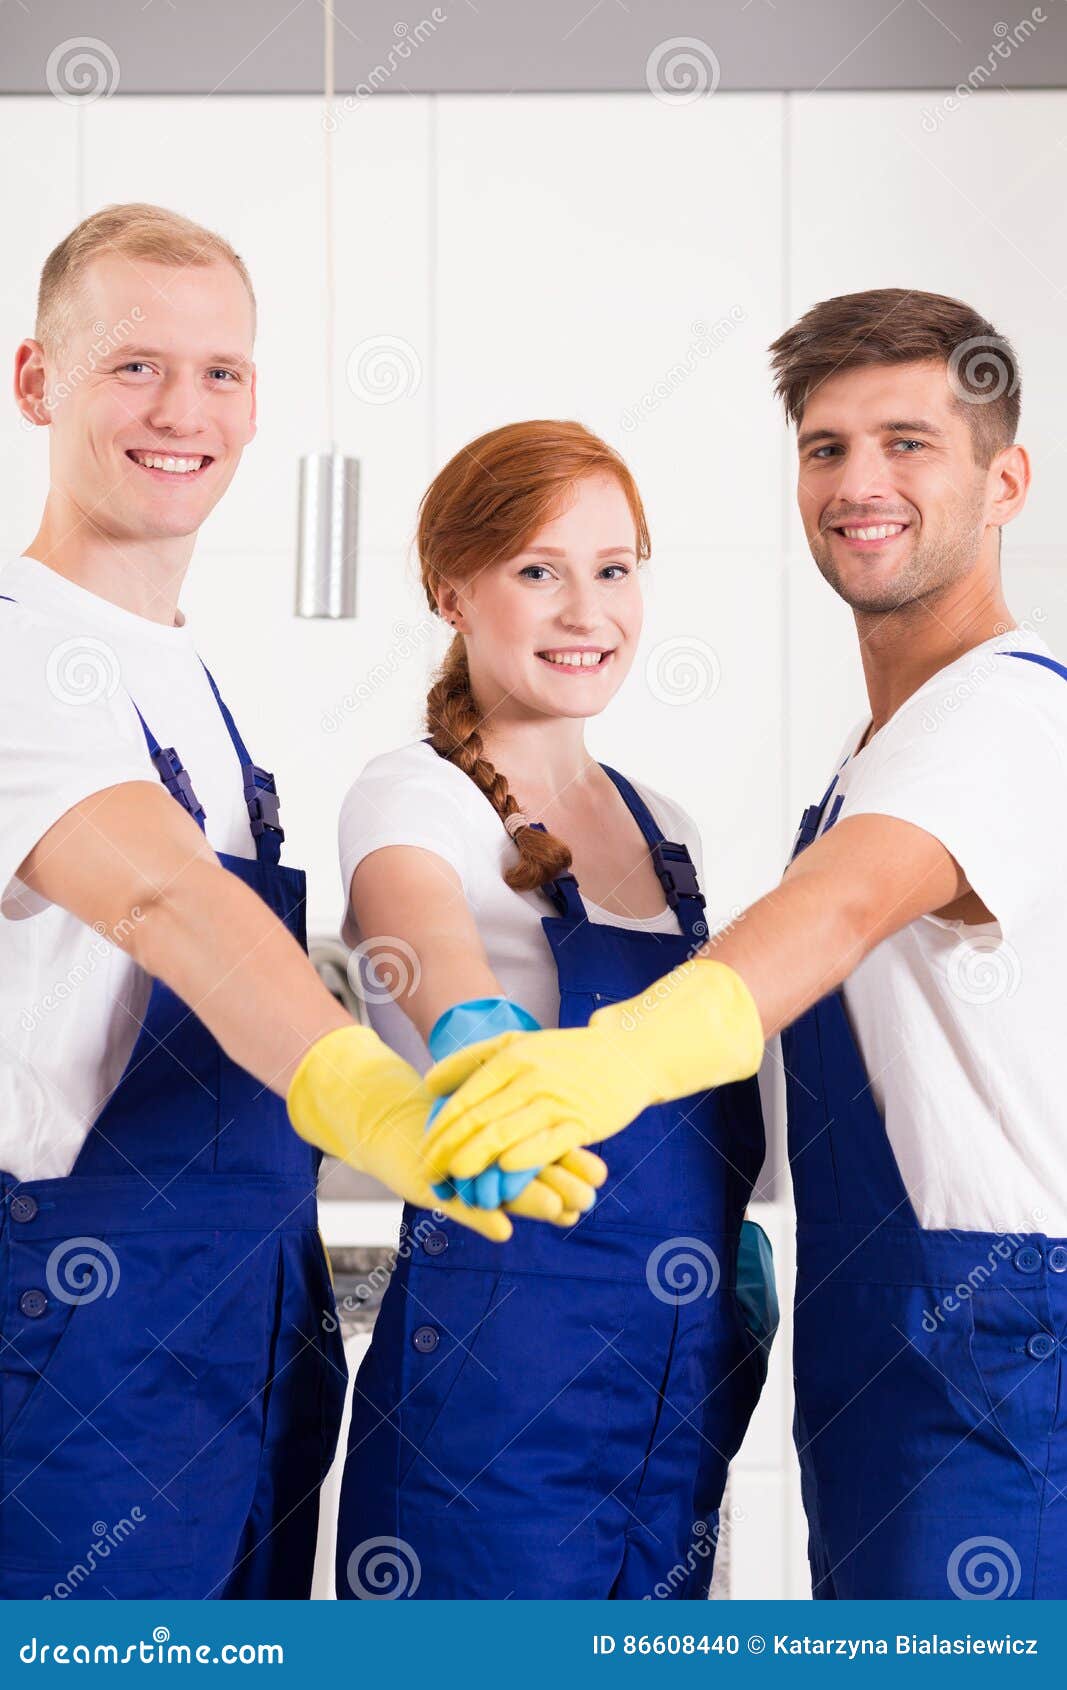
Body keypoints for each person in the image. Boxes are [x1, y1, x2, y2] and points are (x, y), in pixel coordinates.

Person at [423, 292, 1067, 1600]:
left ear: (1003, 480)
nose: (855, 482)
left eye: (906, 442)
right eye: (823, 447)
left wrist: (610, 1064)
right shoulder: (882, 748)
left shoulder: (1000, 717)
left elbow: (833, 912)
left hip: (1001, 1366)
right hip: (885, 1358)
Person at [0, 206, 589, 1599]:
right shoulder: (23, 652)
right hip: (83, 1348)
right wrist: (374, 1102)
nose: (182, 410)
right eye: (134, 366)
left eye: (222, 372)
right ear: (36, 381)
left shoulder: (188, 684)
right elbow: (158, 899)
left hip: (248, 1335)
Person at [333, 420, 773, 1601]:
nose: (587, 611)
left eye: (613, 568)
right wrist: (470, 1034)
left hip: (676, 1395)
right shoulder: (411, 796)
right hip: (494, 1410)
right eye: (539, 570)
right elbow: (411, 926)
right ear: (452, 591)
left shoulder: (663, 824)